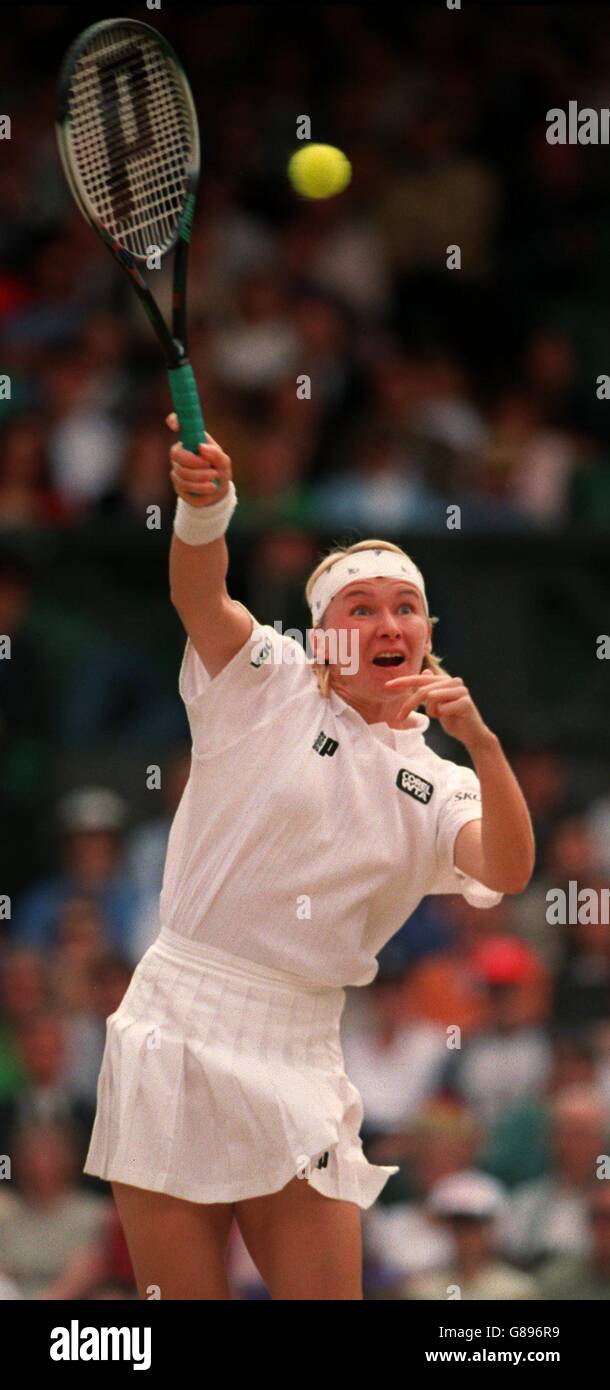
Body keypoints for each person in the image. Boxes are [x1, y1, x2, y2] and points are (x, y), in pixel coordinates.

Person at [82, 418, 535, 1300]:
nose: (385, 621)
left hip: (303, 1050)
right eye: (357, 608)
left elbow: (510, 872)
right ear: (322, 636)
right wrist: (203, 511)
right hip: (177, 1020)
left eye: (403, 605)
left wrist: (482, 745)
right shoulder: (269, 680)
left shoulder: (443, 782)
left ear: (427, 631)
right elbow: (201, 599)